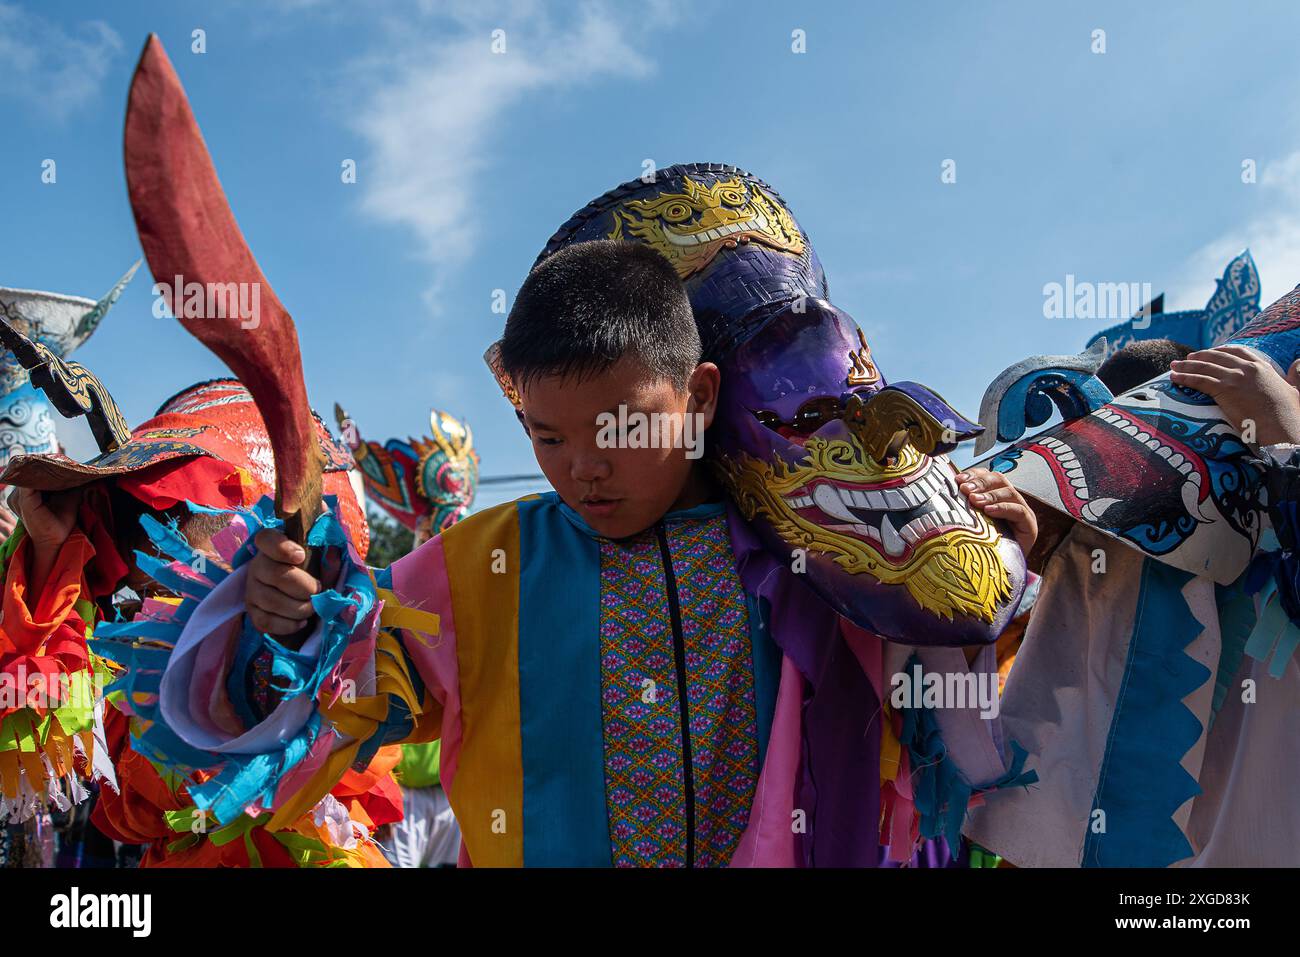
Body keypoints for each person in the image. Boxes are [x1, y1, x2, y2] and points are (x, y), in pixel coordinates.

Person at [118, 239, 1037, 867]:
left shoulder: (803, 546)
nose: (582, 470)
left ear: (701, 395)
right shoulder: (480, 562)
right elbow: (344, 691)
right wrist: (285, 620)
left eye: (621, 427)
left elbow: (942, 702)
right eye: (547, 437)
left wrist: (996, 575)